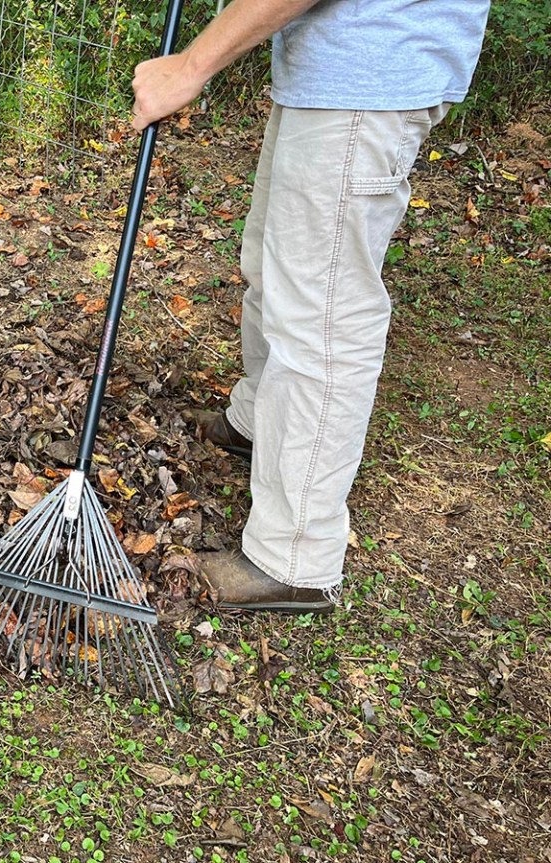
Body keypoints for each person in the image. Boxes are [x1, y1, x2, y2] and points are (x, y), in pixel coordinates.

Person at [131, 0, 491, 613]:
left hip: (367, 79)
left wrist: (191, 65)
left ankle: (294, 556)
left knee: (321, 315)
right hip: (333, 75)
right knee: (272, 267)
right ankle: (256, 422)